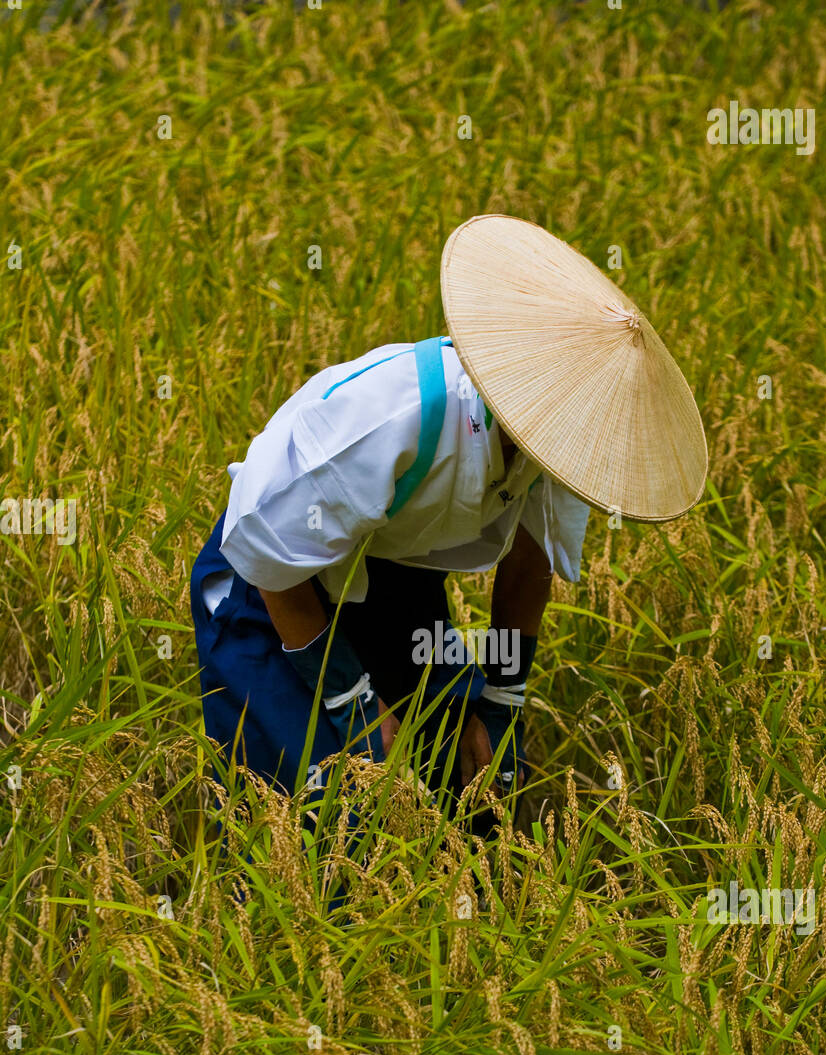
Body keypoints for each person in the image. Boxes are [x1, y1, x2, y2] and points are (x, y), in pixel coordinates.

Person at [190, 215, 707, 818]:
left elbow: (525, 570)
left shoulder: (564, 443)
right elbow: (273, 558)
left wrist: (499, 699)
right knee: (326, 803)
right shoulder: (392, 419)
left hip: (397, 584)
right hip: (273, 586)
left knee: (477, 786)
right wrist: (356, 706)